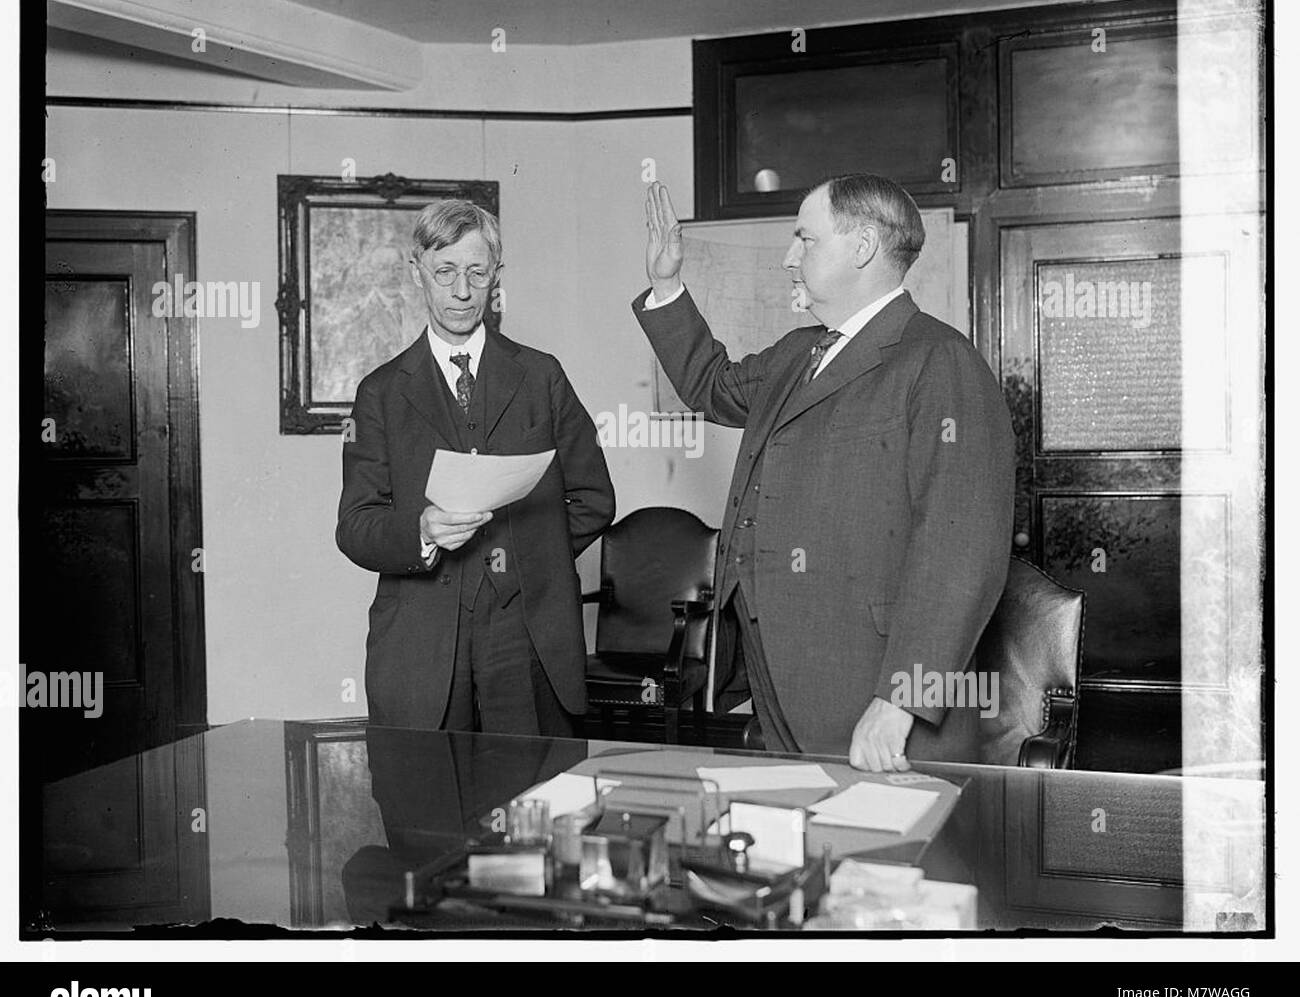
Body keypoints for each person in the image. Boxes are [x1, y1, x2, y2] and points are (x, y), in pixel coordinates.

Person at [636, 175, 1014, 770]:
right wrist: (666, 284)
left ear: (862, 246)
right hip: (778, 676)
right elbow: (711, 386)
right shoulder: (797, 353)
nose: (790, 258)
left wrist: (903, 698)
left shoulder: (941, 361)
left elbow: (960, 549)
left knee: (881, 853)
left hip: (871, 687)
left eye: (805, 239)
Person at [337, 200, 614, 737]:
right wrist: (419, 532)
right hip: (422, 646)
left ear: (496, 277)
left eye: (476, 273)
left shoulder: (541, 376)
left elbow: (594, 497)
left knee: (534, 803)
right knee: (430, 809)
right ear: (417, 271)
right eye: (445, 272)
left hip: (530, 641)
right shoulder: (381, 392)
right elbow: (355, 526)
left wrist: (530, 549)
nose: (461, 292)